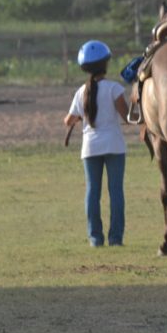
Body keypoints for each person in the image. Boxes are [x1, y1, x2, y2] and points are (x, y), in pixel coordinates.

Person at [64, 40, 129, 247]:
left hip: (90, 147)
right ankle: (115, 238)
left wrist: (81, 116)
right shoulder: (114, 89)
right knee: (116, 192)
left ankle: (95, 238)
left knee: (92, 193)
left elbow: (68, 121)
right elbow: (128, 117)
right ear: (106, 64)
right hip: (114, 145)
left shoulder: (81, 92)